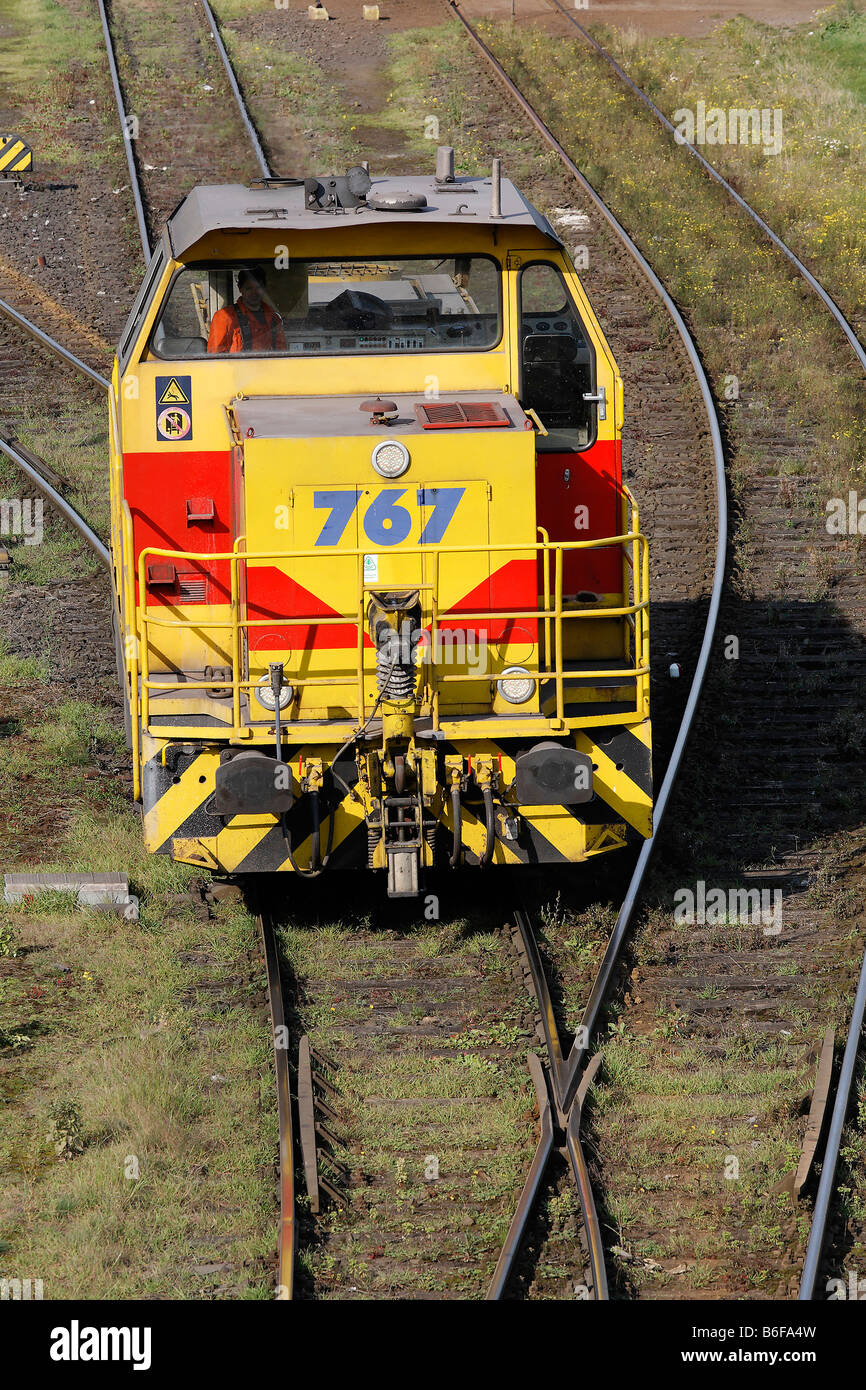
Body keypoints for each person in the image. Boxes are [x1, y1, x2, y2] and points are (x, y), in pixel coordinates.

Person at [206, 266, 287, 353]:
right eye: (249, 288)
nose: (254, 293)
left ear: (264, 288)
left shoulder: (273, 319)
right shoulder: (224, 317)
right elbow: (214, 357)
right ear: (240, 288)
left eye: (258, 288)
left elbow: (282, 353)